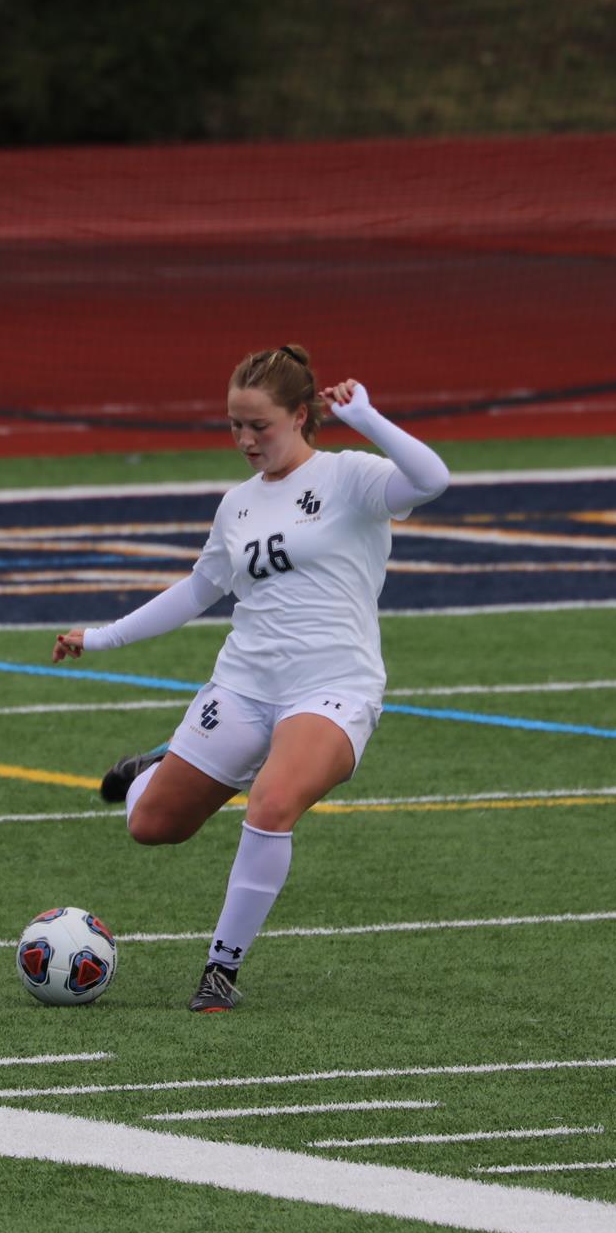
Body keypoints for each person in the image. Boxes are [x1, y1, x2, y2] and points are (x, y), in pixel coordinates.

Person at [52, 344, 450, 1012]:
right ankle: (154, 766)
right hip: (242, 685)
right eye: (234, 425)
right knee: (151, 824)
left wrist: (369, 416)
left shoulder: (351, 476)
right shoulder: (236, 505)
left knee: (270, 804)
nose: (244, 439)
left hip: (334, 687)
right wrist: (99, 637)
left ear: (301, 415)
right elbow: (195, 591)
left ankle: (220, 971)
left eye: (258, 425)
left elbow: (433, 478)